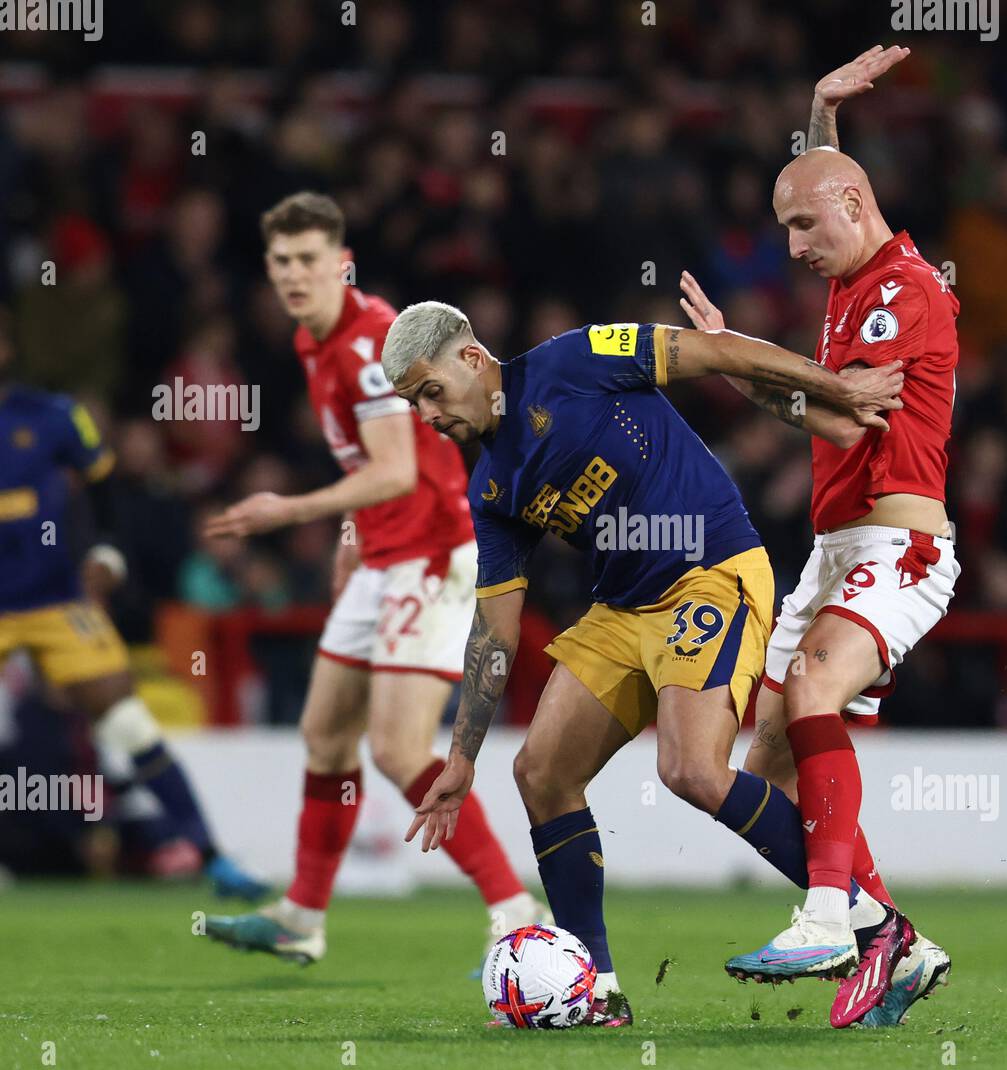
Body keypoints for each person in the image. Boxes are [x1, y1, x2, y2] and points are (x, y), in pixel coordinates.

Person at [385, 301, 904, 1024]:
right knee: (541, 773)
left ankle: (874, 922)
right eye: (414, 404)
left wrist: (837, 386)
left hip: (709, 571)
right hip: (624, 608)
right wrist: (461, 758)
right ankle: (595, 990)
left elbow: (718, 351)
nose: (427, 415)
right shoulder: (492, 487)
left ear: (472, 359)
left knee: (691, 767)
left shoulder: (574, 361)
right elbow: (494, 632)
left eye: (430, 392)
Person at [679, 45, 958, 1028]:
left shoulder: (904, 291)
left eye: (803, 226)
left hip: (897, 549)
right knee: (764, 776)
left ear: (851, 206)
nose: (793, 247)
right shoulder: (852, 280)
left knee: (809, 690)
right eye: (784, 228)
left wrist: (739, 360)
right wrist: (821, 108)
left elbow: (842, 420)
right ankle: (895, 940)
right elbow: (826, 180)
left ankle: (829, 918)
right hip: (834, 554)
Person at [202, 193, 544, 965]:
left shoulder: (368, 345)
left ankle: (515, 905)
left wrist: (289, 510)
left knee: (395, 749)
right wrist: (354, 533)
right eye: (282, 262)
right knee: (325, 734)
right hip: (383, 551)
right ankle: (301, 916)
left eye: (309, 260)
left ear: (341, 264)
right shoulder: (311, 339)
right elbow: (379, 464)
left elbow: (394, 470)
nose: (294, 275)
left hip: (432, 553)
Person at [0, 312, 263, 899]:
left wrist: (106, 553)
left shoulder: (53, 417)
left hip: (54, 601)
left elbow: (105, 496)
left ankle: (210, 857)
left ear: (8, 346)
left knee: (128, 723)